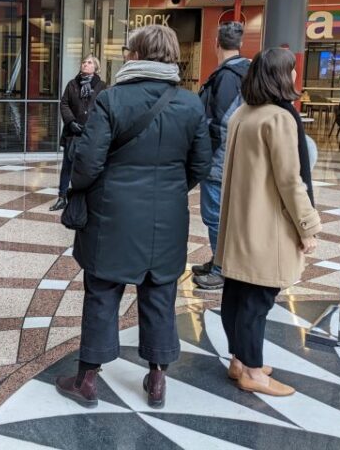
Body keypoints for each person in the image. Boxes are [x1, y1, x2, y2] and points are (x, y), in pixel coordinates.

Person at [55, 25, 211, 409]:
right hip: (168, 218)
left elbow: (89, 162)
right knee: (159, 292)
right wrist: (171, 187)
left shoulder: (113, 99)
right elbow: (201, 164)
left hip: (112, 215)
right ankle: (157, 379)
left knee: (103, 292)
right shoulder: (190, 104)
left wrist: (77, 187)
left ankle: (87, 379)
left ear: (137, 54)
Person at [215, 47, 320, 397]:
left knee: (237, 292)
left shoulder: (244, 113)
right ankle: (254, 373)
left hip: (238, 224)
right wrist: (307, 225)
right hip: (266, 227)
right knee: (257, 300)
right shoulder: (278, 118)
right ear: (280, 76)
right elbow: (290, 180)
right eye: (290, 71)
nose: (294, 77)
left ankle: (239, 360)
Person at [193, 21, 250, 290]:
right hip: (236, 158)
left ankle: (222, 269)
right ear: (240, 44)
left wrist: (204, 155)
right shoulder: (246, 71)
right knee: (223, 215)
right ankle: (220, 260)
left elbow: (219, 123)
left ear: (216, 43)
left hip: (219, 160)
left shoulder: (227, 76)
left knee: (215, 215)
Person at [50, 55, 106, 211]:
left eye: (89, 63)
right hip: (73, 133)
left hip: (91, 134)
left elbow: (104, 108)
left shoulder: (101, 86)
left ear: (96, 67)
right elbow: (64, 103)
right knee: (67, 166)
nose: (85, 64)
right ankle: (62, 197)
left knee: (88, 167)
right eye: (84, 62)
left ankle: (85, 198)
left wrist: (94, 125)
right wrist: (71, 121)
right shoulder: (72, 84)